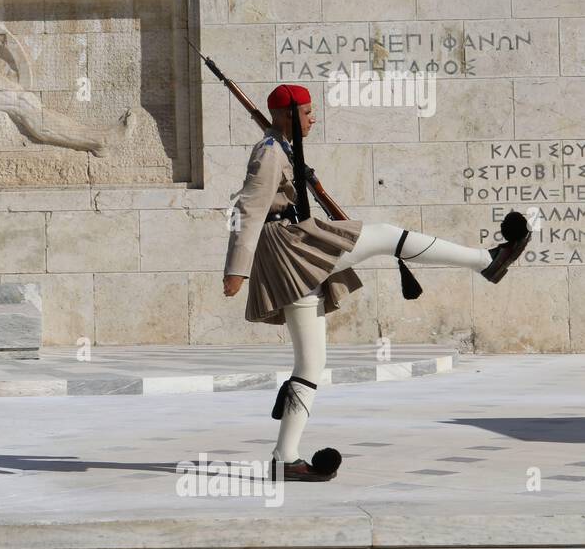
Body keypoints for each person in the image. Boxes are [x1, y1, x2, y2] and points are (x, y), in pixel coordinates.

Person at [223, 84, 530, 482]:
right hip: (291, 248)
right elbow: (248, 206)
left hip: (293, 250)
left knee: (310, 364)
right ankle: (486, 261)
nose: (313, 118)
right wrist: (236, 268)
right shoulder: (269, 151)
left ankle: (285, 457)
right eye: (307, 112)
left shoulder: (281, 146)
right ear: (287, 115)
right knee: (385, 234)